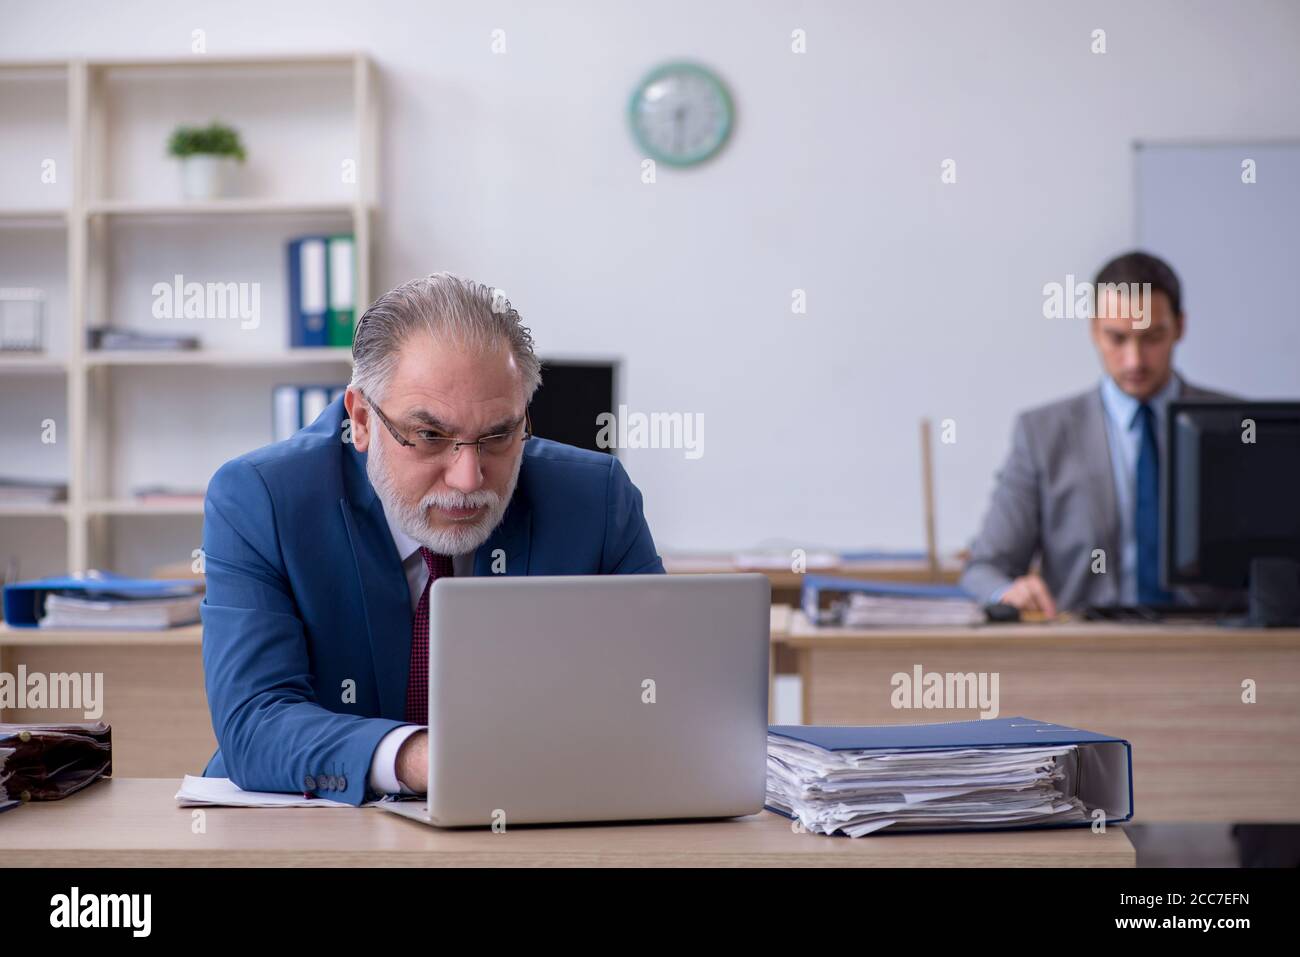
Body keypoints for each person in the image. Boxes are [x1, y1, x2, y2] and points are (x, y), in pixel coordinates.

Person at [200, 273, 663, 806]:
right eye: (429, 436)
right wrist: (422, 759)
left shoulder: (597, 499)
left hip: (528, 826)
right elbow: (255, 724)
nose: (469, 479)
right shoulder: (262, 499)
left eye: (497, 436)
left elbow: (659, 695)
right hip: (314, 835)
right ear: (362, 419)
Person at [961, 251, 1232, 615]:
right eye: (1117, 338)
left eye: (1151, 337)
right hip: (1083, 649)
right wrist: (1008, 592)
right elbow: (985, 568)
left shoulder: (1236, 426)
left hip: (1215, 646)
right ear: (1094, 330)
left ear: (1180, 328)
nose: (1134, 360)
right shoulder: (1042, 435)